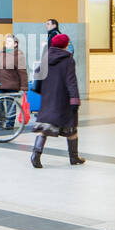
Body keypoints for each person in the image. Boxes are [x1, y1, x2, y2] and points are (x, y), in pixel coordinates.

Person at [31, 32, 84, 168]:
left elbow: (37, 73)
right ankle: (74, 157)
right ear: (65, 45)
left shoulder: (46, 57)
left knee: (45, 127)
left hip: (48, 97)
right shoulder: (68, 59)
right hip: (63, 99)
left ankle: (36, 154)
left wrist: (42, 90)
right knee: (71, 126)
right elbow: (71, 81)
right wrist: (74, 100)